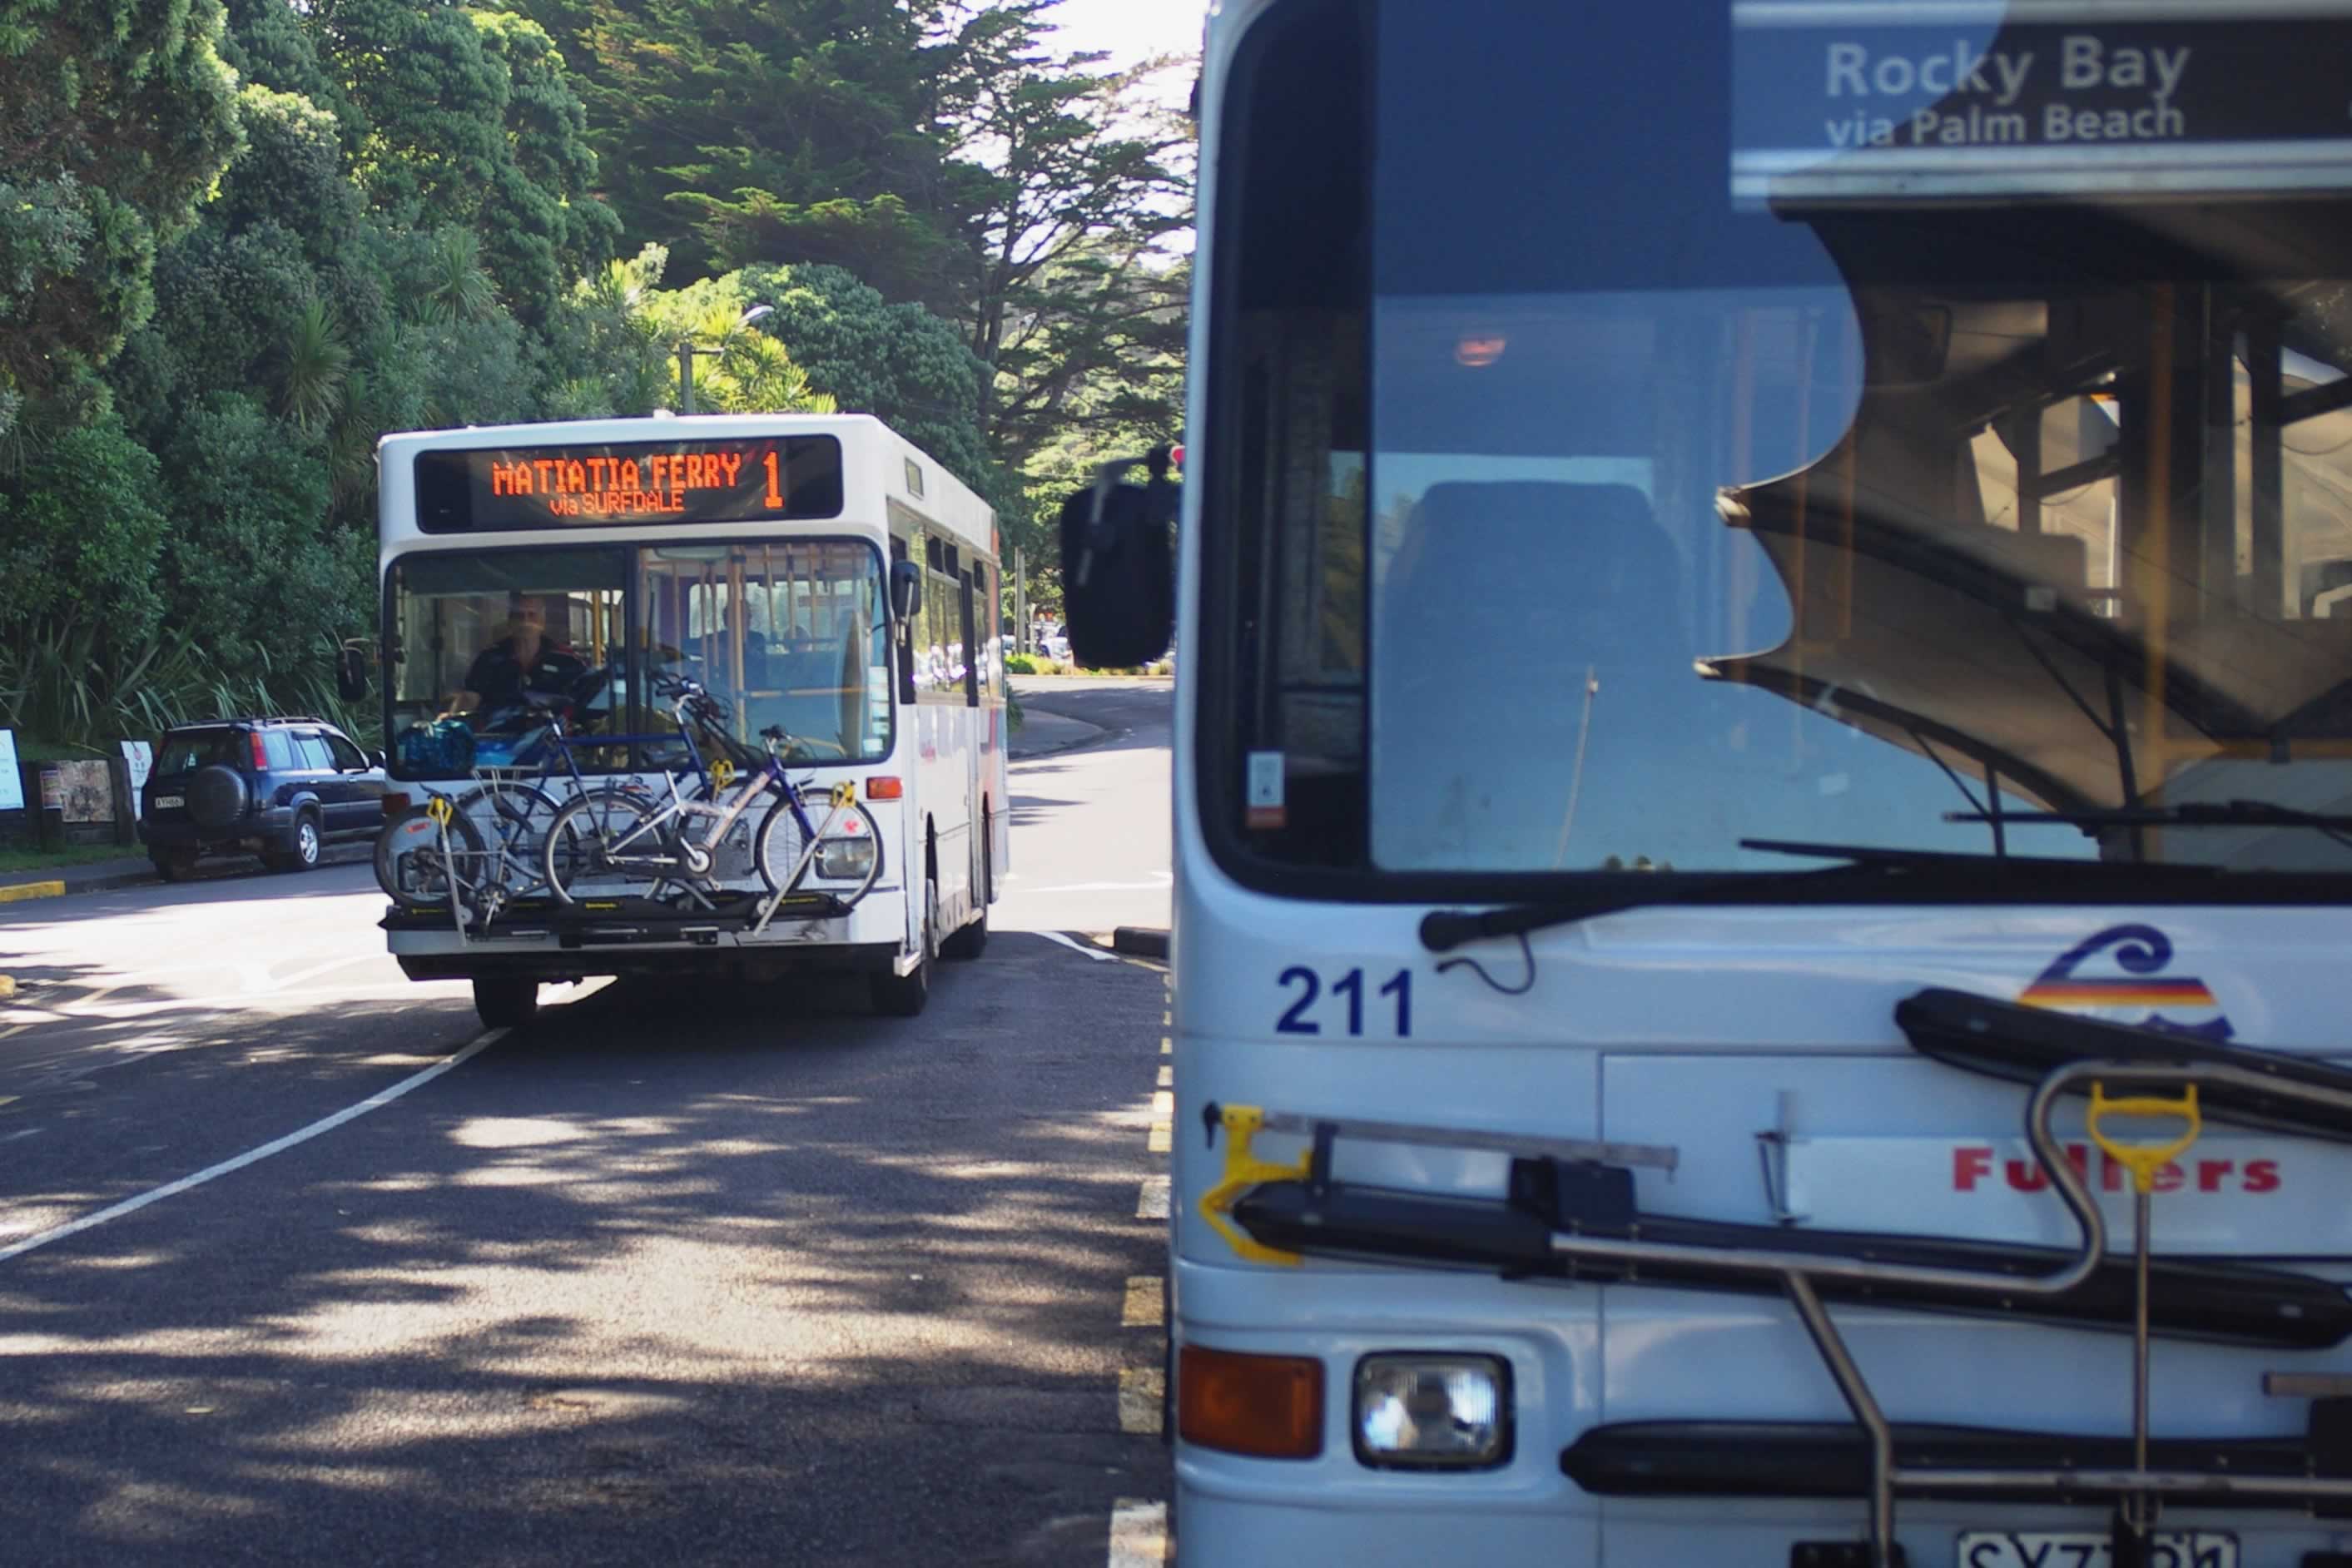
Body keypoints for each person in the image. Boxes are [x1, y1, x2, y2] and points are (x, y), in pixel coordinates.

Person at [449, 598, 588, 729]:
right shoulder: (489, 658)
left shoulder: (566, 659)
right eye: (519, 616)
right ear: (510, 622)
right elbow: (470, 698)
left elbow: (586, 700)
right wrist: (452, 721)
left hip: (554, 742)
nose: (525, 621)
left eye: (532, 615)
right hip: (499, 739)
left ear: (542, 622)